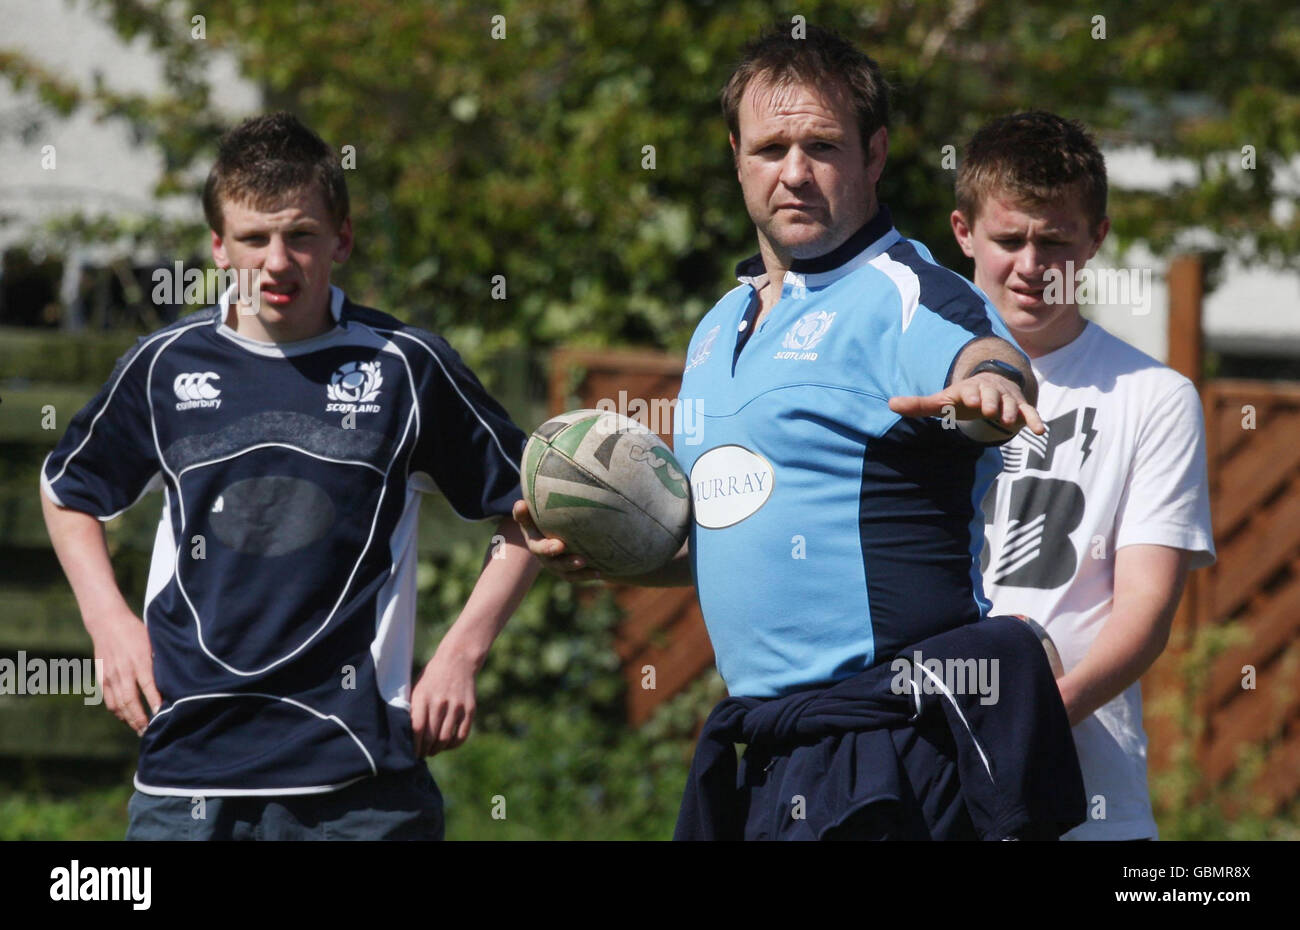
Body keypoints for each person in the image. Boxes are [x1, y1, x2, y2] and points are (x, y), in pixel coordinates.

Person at [517, 26, 1087, 840]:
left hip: (893, 743)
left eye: (822, 146)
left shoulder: (902, 290)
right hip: (770, 748)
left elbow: (987, 352)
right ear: (736, 156)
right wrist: (617, 551)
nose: (793, 172)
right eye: (769, 147)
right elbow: (719, 534)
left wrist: (992, 387)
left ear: (875, 155)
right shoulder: (716, 327)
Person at [40, 112, 540, 840]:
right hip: (188, 779)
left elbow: (529, 507)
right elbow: (66, 492)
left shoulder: (403, 366)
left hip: (361, 787)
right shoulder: (162, 368)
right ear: (218, 247)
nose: (277, 261)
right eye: (253, 238)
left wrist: (462, 654)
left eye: (300, 235)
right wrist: (108, 623)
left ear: (341, 238)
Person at [950, 110, 1215, 840]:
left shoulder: (1152, 397)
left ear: (1096, 238)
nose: (1031, 265)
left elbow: (1146, 611)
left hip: (1086, 803)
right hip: (918, 781)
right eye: (1008, 240)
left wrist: (1028, 723)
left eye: (1056, 241)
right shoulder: (907, 379)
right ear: (963, 232)